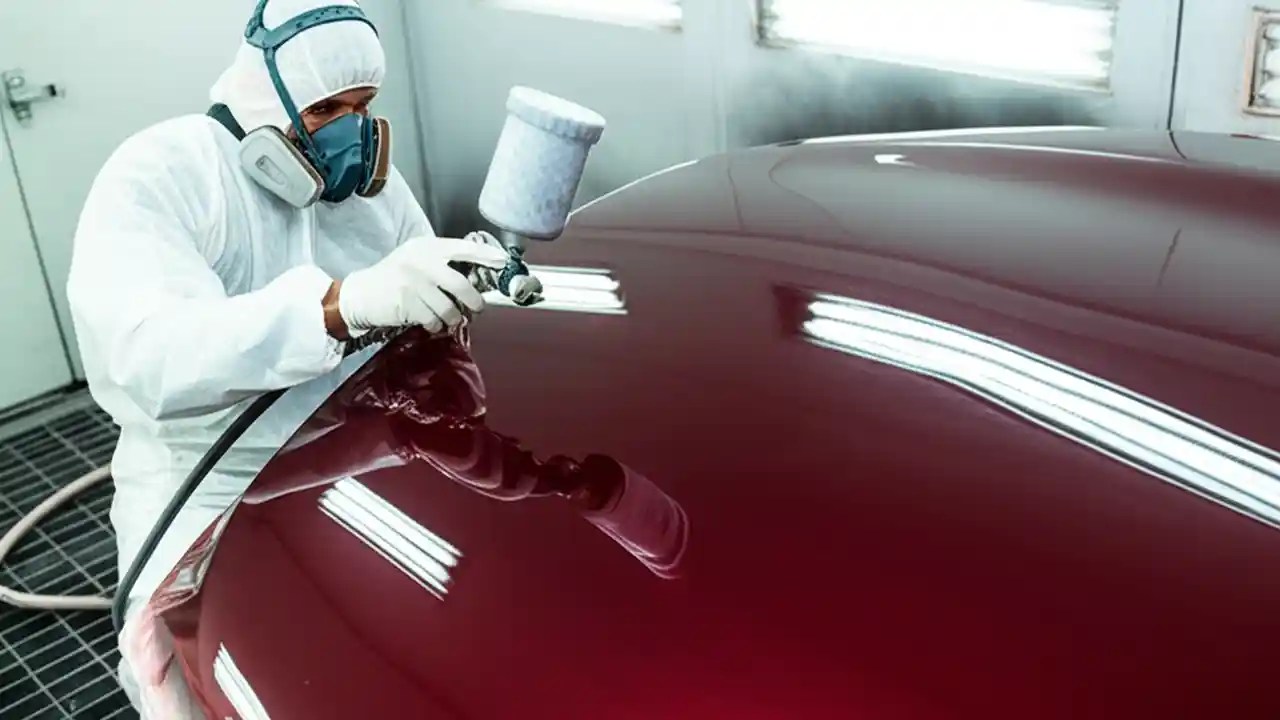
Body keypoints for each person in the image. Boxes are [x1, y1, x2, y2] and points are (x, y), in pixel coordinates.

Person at [65, 0, 507, 713]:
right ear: (265, 99)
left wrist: (454, 305)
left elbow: (418, 329)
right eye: (330, 106)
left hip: (350, 465)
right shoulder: (163, 174)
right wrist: (337, 307)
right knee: (201, 689)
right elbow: (143, 360)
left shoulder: (373, 189)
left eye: (366, 105)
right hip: (205, 485)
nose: (353, 131)